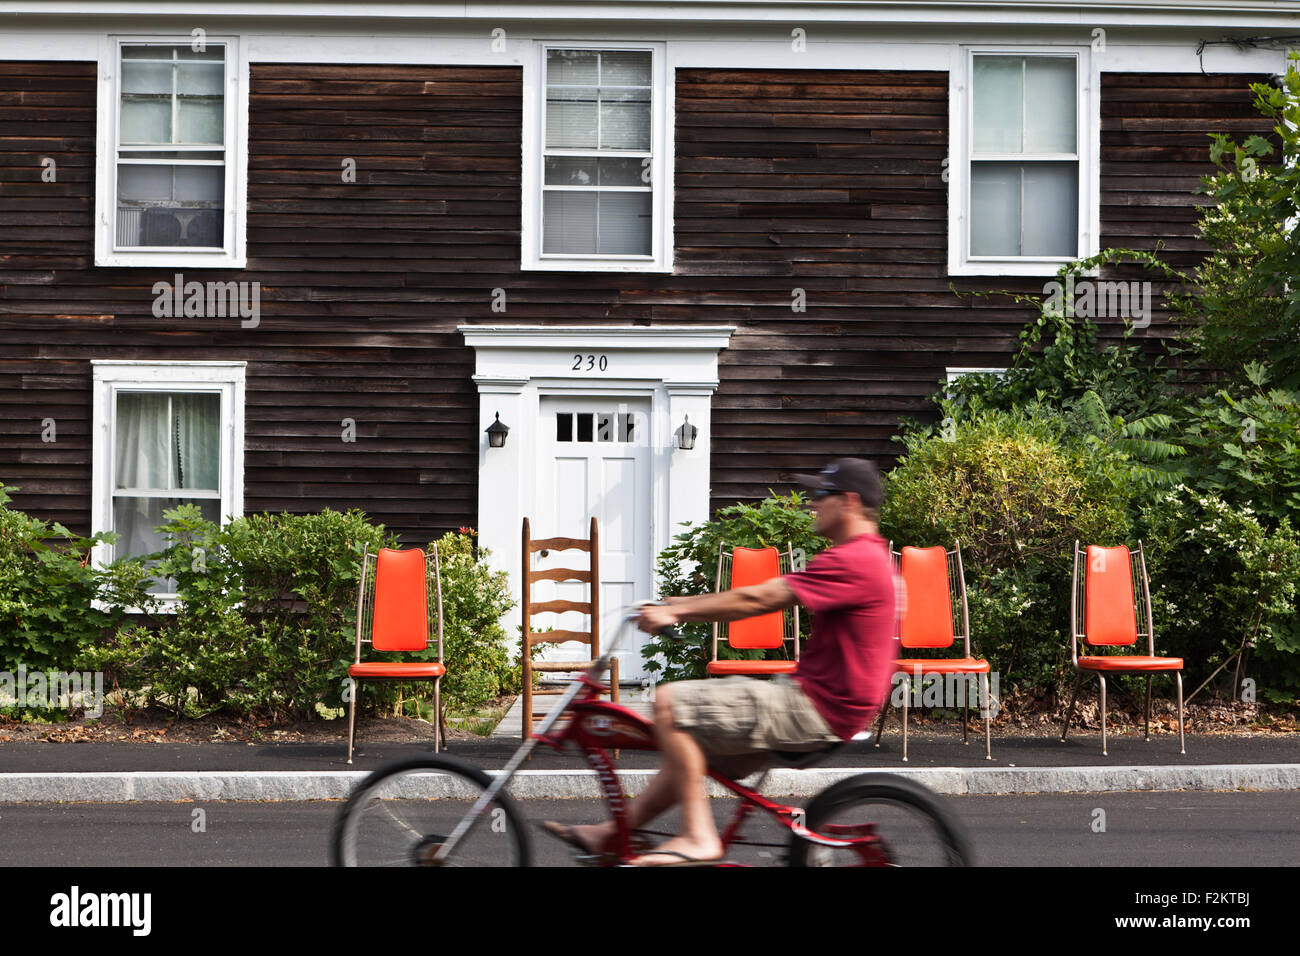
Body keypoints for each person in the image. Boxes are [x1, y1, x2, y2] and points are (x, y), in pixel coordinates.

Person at [543, 457, 898, 866]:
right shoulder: (870, 557)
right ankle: (610, 833)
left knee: (670, 703)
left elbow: (758, 599)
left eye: (821, 495)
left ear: (849, 502)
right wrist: (678, 603)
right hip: (826, 705)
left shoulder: (852, 560)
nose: (811, 503)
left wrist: (676, 613)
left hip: (815, 707)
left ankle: (697, 837)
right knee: (693, 755)